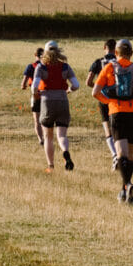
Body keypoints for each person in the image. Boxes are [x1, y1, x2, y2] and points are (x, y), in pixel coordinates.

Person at [92, 39, 133, 204]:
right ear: (131, 53)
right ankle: (125, 191)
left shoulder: (109, 68)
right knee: (129, 154)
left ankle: (128, 184)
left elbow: (95, 92)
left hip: (117, 112)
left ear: (116, 53)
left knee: (121, 154)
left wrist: (108, 102)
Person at [34, 43, 79, 172]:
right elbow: (76, 85)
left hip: (47, 102)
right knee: (62, 135)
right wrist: (69, 90)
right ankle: (65, 151)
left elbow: (34, 86)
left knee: (48, 136)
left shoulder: (41, 67)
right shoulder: (65, 67)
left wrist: (36, 94)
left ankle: (51, 166)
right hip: (63, 101)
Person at [86, 38, 119, 165]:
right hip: (119, 99)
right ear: (116, 49)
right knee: (118, 127)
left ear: (104, 47)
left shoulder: (98, 62)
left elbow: (88, 82)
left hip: (104, 98)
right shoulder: (120, 62)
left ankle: (114, 156)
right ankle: (121, 154)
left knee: (107, 127)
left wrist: (98, 88)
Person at [21, 45, 48, 147]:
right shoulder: (47, 66)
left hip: (35, 94)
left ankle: (41, 139)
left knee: (37, 119)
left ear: (35, 55)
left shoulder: (31, 66)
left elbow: (23, 83)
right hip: (46, 94)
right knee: (46, 118)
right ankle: (47, 137)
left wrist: (24, 86)